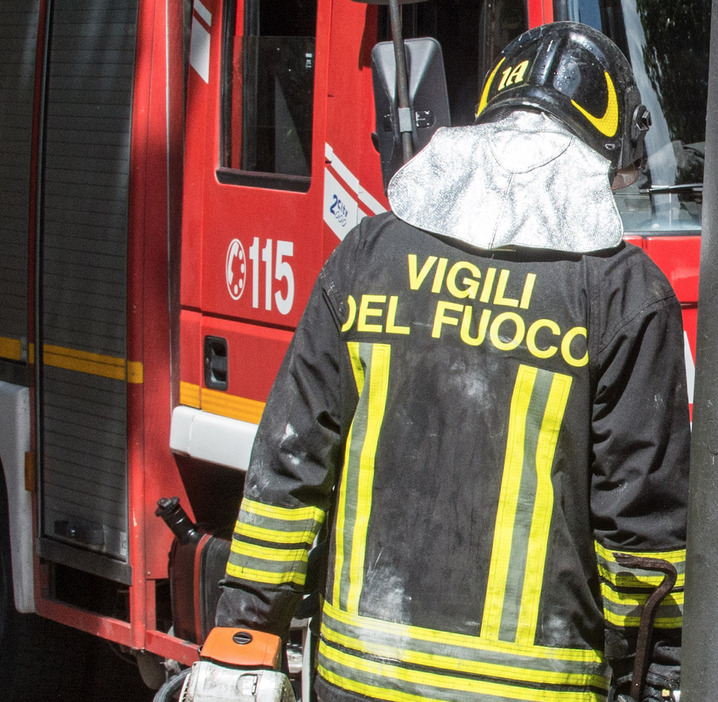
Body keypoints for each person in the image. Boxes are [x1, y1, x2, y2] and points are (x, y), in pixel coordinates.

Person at [209, 22, 689, 702]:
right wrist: (659, 679)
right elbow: (641, 525)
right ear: (607, 153)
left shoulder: (369, 255)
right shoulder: (622, 293)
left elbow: (288, 468)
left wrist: (243, 639)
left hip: (358, 679)